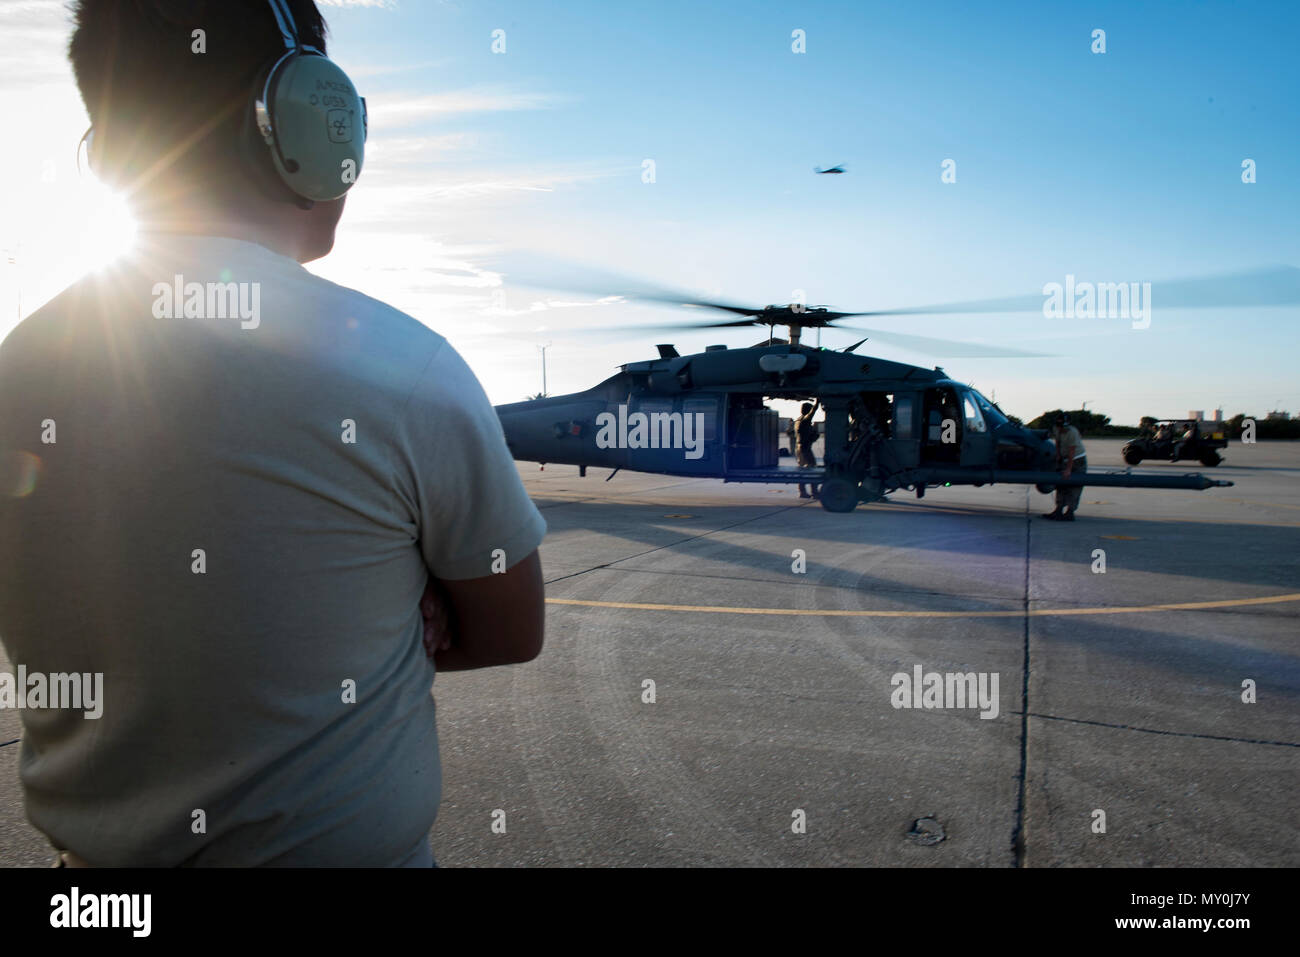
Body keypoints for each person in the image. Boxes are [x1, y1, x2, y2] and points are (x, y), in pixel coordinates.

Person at [0, 0, 545, 867]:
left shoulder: (17, 369)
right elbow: (512, 630)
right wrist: (396, 616)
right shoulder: (406, 370)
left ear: (104, 157)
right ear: (305, 113)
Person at [1043, 413, 1087, 521]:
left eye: (1064, 427)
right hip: (1065, 458)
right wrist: (1058, 454)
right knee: (1061, 484)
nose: (1062, 429)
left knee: (1075, 485)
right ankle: (1058, 509)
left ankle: (1070, 512)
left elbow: (1072, 452)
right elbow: (1057, 441)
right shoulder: (1056, 429)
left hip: (1077, 460)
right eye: (1060, 426)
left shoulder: (1072, 432)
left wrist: (1068, 469)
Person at [795, 400, 821, 498]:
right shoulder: (805, 420)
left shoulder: (798, 420)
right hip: (805, 449)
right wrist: (817, 403)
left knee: (803, 471)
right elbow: (812, 413)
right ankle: (814, 492)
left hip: (800, 448)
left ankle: (803, 491)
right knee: (812, 469)